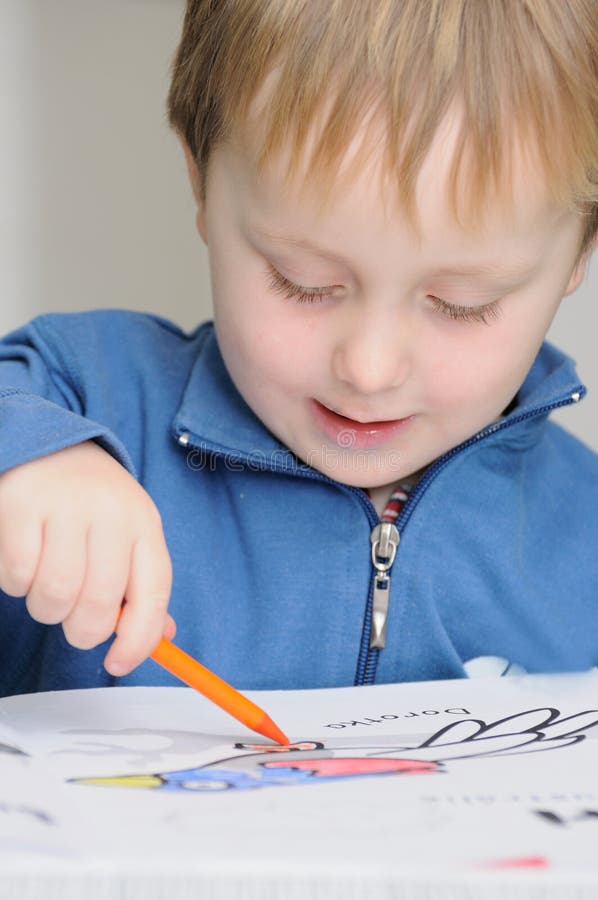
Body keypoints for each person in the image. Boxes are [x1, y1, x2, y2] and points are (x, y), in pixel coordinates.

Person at [0, 0, 596, 697]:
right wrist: (33, 459)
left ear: (582, 247)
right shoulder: (79, 392)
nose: (370, 370)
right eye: (303, 282)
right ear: (200, 181)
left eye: (463, 303)